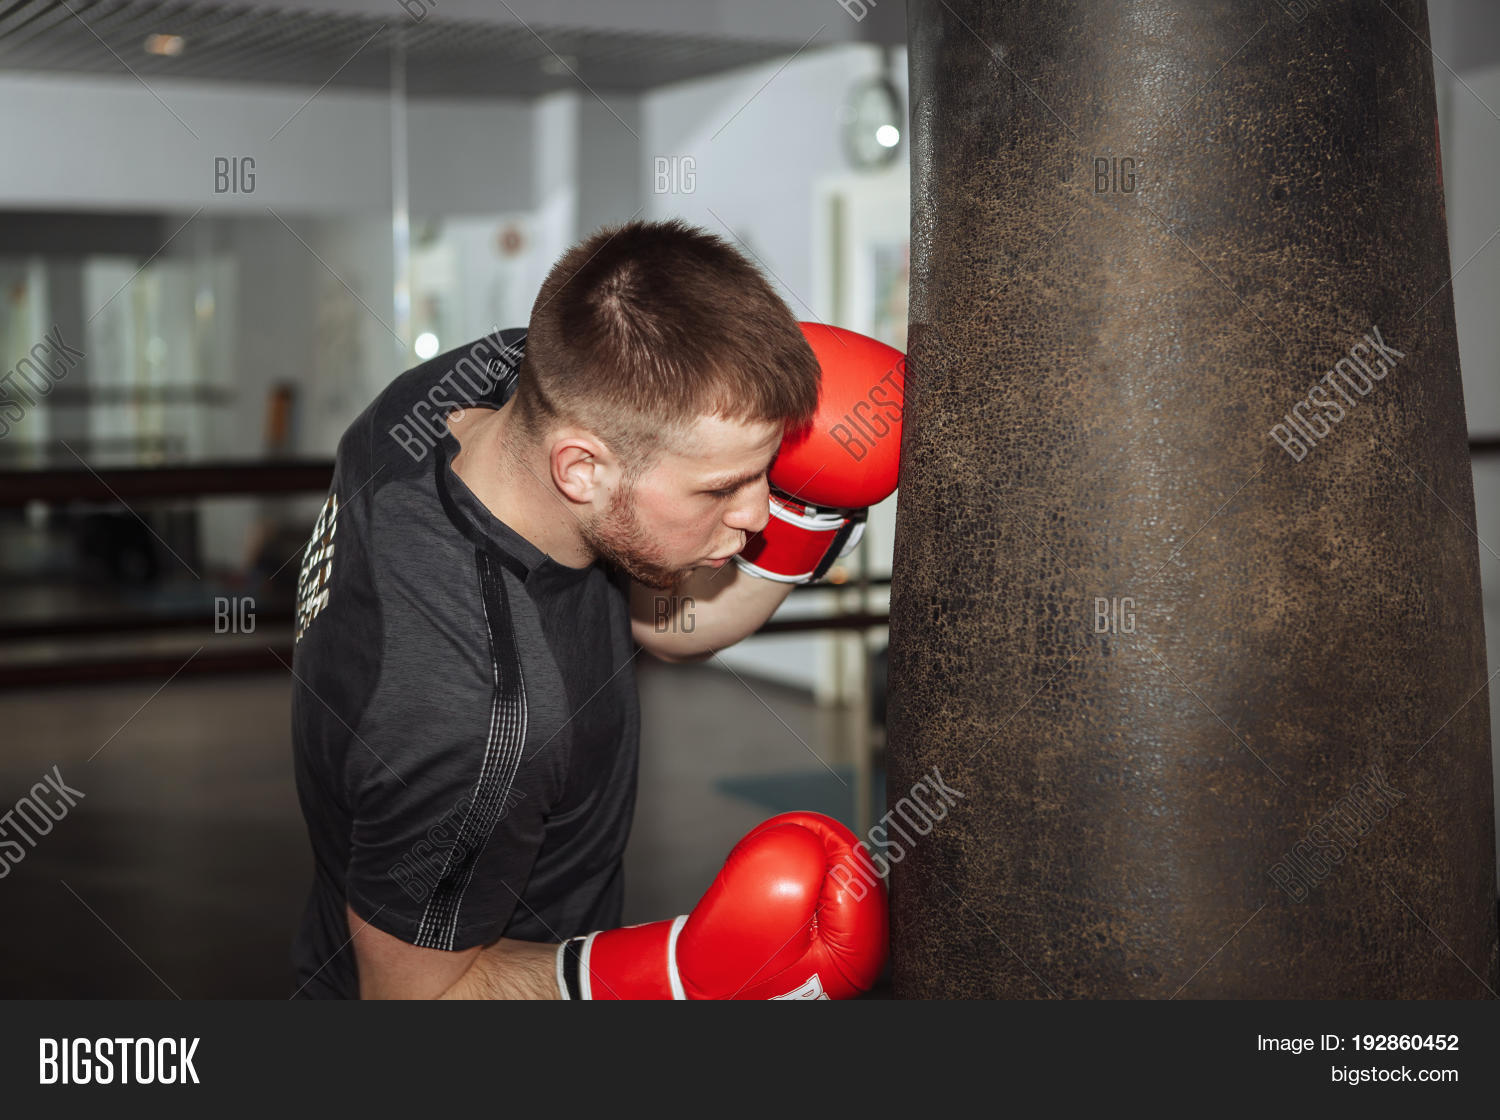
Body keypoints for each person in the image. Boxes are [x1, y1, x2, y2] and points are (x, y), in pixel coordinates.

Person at [289, 218, 896, 999]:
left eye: (766, 474)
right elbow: (415, 999)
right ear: (581, 469)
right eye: (719, 489)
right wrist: (681, 970)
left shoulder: (473, 384)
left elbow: (667, 625)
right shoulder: (476, 725)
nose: (756, 516)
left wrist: (808, 522)